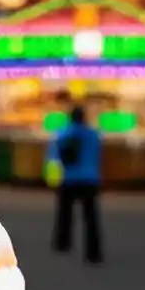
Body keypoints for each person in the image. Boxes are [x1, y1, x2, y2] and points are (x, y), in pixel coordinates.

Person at [48, 105, 103, 265]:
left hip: (70, 178)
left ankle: (62, 243)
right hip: (90, 179)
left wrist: (53, 178)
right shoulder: (93, 135)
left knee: (65, 213)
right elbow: (97, 155)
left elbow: (55, 155)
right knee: (91, 217)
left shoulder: (63, 134)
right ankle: (93, 252)